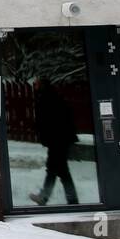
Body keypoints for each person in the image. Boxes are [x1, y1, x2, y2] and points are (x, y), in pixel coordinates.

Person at [29, 77, 80, 206]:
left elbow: (50, 121)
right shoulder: (51, 96)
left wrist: (47, 137)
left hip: (58, 140)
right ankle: (70, 200)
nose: (34, 86)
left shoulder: (47, 98)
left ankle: (46, 197)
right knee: (60, 171)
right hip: (59, 139)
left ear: (41, 85)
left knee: (55, 169)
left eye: (36, 84)